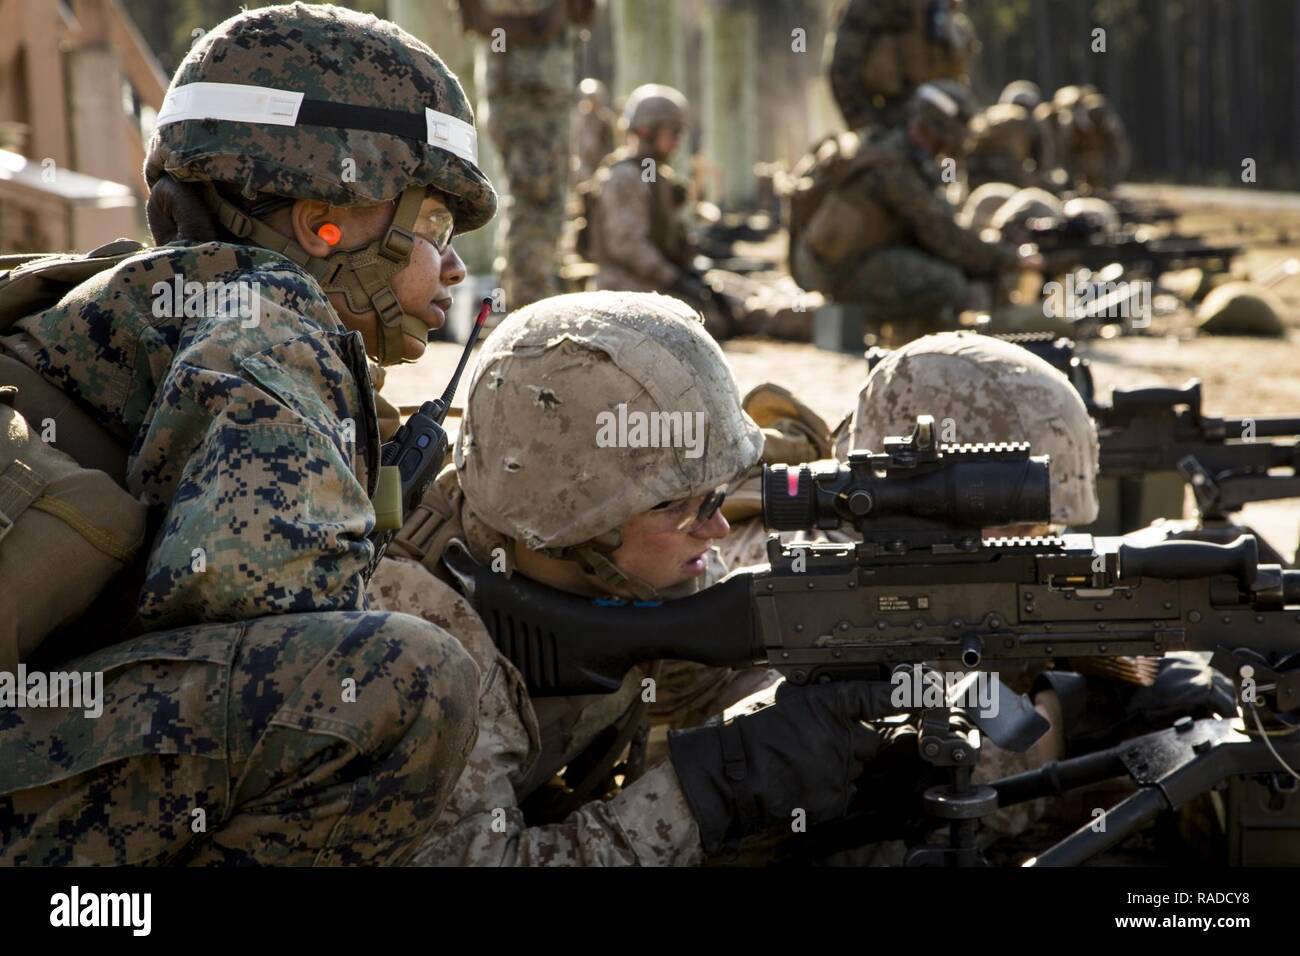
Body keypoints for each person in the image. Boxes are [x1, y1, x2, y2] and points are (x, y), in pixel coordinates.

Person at [0, 3, 494, 865]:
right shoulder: (270, 324)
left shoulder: (154, 298)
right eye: (437, 225)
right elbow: (255, 611)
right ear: (321, 223)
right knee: (395, 687)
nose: (453, 265)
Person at [371, 290, 891, 865]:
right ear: (576, 521)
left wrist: (808, 717)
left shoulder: (637, 571)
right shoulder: (423, 644)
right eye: (679, 505)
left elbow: (704, 684)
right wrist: (708, 788)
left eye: (715, 496)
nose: (717, 528)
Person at [789, 82, 1043, 339]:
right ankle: (868, 321)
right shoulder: (893, 165)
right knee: (947, 282)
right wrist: (1012, 258)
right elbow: (945, 238)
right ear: (929, 129)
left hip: (836, 261)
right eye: (945, 140)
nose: (948, 149)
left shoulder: (894, 149)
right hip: (834, 271)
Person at [458, 0, 593, 309]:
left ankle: (528, 296)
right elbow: (474, 17)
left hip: (544, 94)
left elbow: (583, 13)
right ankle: (531, 302)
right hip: (527, 95)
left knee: (544, 200)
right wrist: (545, 20)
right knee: (537, 197)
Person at [578, 84, 742, 339]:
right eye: (673, 132)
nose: (677, 141)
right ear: (646, 130)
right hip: (624, 289)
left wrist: (692, 272)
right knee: (714, 321)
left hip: (653, 283)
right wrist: (676, 279)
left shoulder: (657, 177)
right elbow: (627, 246)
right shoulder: (624, 177)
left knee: (732, 297)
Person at [828, 0, 979, 132]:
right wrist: (868, 128)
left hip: (943, 127)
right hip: (894, 126)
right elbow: (842, 69)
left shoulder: (947, 6)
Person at [572, 77, 617, 185]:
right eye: (588, 98)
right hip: (581, 165)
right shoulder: (578, 119)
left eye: (593, 98)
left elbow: (611, 146)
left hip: (600, 165)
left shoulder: (605, 120)